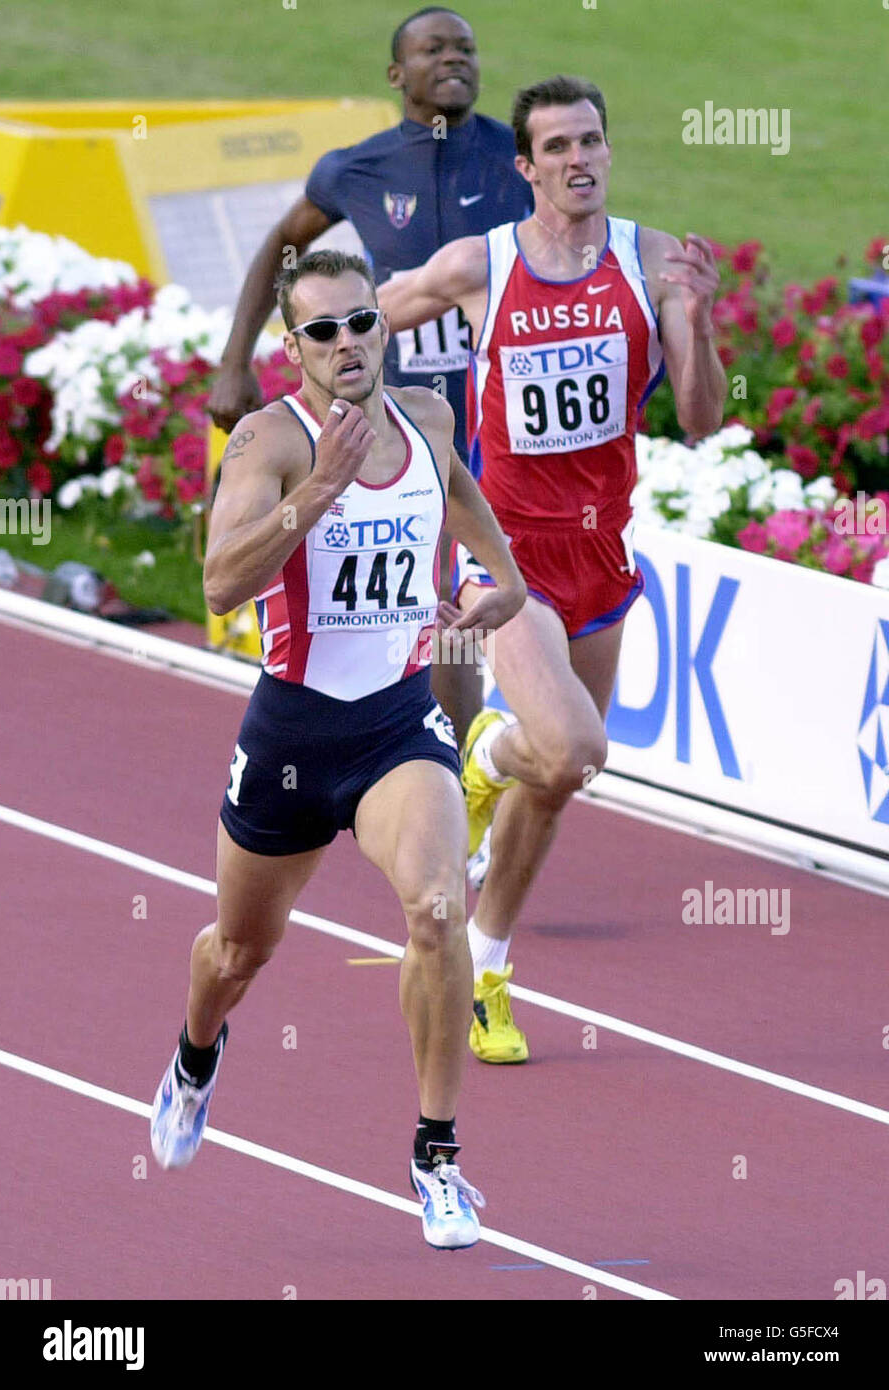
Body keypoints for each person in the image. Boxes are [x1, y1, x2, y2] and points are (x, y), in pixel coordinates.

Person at [150, 250, 526, 1250]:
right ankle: (194, 1058)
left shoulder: (427, 419)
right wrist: (313, 492)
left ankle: (435, 1155)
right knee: (237, 953)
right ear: (294, 347)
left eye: (362, 322)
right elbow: (221, 586)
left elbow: (465, 510)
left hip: (397, 724)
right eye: (323, 331)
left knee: (438, 912)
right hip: (291, 735)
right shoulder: (269, 441)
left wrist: (506, 581)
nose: (348, 343)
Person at [378, 75, 726, 1064]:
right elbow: (352, 332)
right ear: (525, 167)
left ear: (607, 153)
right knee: (571, 749)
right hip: (506, 561)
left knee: (557, 784)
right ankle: (488, 752)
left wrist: (691, 326)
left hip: (600, 556)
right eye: (557, 147)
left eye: (591, 142)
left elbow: (698, 422)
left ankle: (485, 963)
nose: (578, 159)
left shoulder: (650, 261)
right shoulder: (476, 265)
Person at [208, 6, 533, 745]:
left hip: (482, 414)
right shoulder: (355, 168)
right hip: (391, 416)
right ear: (398, 75)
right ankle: (420, 759)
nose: (455, 60)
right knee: (427, 594)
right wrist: (235, 360)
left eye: (467, 49)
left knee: (452, 596)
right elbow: (281, 250)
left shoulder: (515, 158)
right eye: (434, 49)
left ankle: (449, 776)